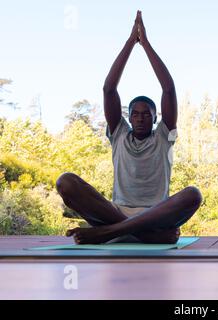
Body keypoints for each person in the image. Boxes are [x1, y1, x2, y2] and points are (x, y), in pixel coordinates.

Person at [56, 11, 202, 244]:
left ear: (156, 119)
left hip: (157, 216)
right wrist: (129, 44)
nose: (141, 118)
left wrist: (146, 45)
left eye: (147, 114)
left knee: (194, 194)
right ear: (128, 117)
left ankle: (111, 233)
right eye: (135, 114)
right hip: (114, 214)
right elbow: (109, 90)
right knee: (66, 181)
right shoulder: (120, 134)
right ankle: (141, 234)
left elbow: (168, 89)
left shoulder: (164, 136)